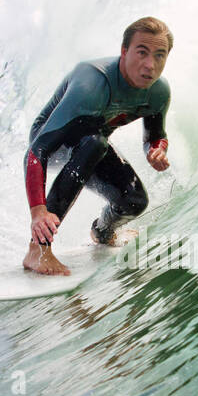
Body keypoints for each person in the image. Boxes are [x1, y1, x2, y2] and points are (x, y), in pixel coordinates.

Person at [23, 17, 172, 275]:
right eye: (142, 53)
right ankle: (38, 250)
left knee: (134, 201)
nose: (150, 65)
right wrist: (38, 212)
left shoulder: (158, 93)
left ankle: (102, 232)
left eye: (160, 55)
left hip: (93, 143)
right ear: (124, 52)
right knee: (95, 143)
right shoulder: (92, 83)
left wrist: (156, 149)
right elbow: (36, 151)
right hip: (52, 140)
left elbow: (155, 135)